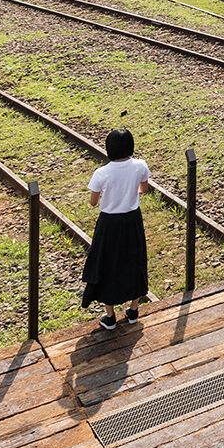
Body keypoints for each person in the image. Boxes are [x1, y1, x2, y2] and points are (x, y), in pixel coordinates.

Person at [81, 128, 152, 330]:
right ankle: (133, 310)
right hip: (132, 220)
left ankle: (110, 316)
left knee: (106, 264)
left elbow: (93, 202)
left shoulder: (102, 173)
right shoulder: (140, 166)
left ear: (109, 148)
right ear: (130, 146)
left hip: (109, 224)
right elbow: (144, 188)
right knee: (135, 260)